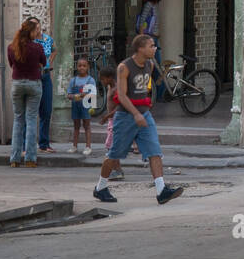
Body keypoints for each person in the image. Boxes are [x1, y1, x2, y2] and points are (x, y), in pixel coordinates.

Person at [91, 34, 183, 205]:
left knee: (154, 151)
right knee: (114, 154)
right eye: (151, 46)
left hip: (144, 115)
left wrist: (145, 109)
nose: (154, 48)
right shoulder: (124, 67)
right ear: (140, 48)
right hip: (126, 117)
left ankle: (161, 190)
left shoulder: (149, 64)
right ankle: (100, 187)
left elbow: (145, 89)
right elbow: (122, 96)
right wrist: (136, 114)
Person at [7, 18, 45, 167]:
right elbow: (44, 62)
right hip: (34, 84)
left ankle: (15, 159)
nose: (38, 33)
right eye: (36, 30)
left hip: (17, 84)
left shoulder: (11, 47)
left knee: (18, 120)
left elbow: (11, 64)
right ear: (31, 32)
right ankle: (30, 158)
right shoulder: (37, 48)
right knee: (31, 120)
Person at [136, 0, 165, 98]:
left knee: (156, 66)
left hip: (154, 38)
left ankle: (157, 93)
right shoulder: (149, 5)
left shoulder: (155, 5)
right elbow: (143, 20)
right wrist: (142, 38)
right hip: (149, 39)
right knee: (156, 66)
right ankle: (158, 94)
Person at [32, 18, 56, 153]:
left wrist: (49, 61)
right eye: (33, 25)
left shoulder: (47, 39)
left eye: (37, 24)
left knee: (46, 110)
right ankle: (26, 144)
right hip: (33, 76)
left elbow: (54, 50)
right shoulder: (29, 42)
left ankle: (44, 143)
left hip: (45, 75)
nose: (36, 27)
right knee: (30, 112)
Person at [96, 67, 124, 179]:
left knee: (112, 146)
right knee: (111, 146)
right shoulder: (109, 87)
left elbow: (119, 107)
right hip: (112, 120)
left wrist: (106, 116)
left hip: (116, 120)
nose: (102, 81)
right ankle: (117, 169)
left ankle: (117, 170)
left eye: (103, 79)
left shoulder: (116, 89)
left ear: (109, 78)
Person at [67, 57, 97, 155]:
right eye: (79, 66)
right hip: (76, 105)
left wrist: (83, 95)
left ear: (88, 67)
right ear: (77, 67)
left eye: (84, 66)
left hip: (86, 105)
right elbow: (69, 94)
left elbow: (93, 94)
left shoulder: (90, 80)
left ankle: (88, 146)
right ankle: (74, 146)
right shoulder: (73, 80)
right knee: (76, 126)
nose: (81, 68)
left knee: (87, 125)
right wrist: (73, 96)